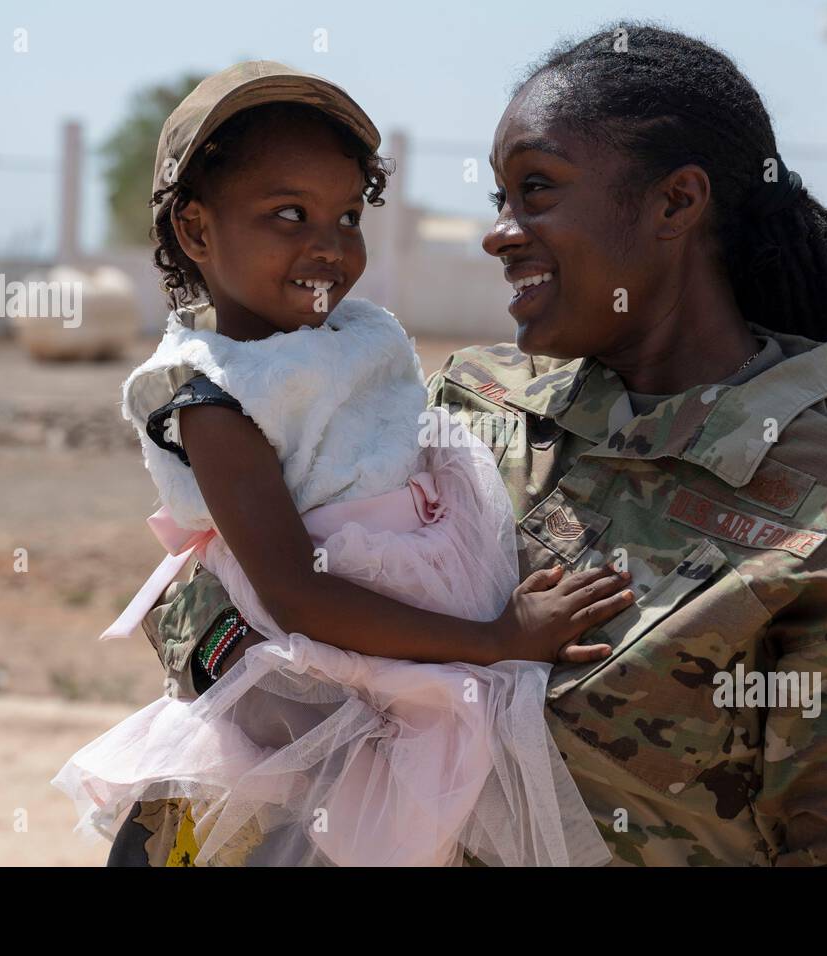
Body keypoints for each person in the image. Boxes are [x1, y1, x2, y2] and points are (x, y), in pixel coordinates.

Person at [116, 25, 827, 867]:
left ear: (675, 202)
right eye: (499, 196)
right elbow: (215, 606)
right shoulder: (468, 401)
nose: (498, 232)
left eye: (536, 189)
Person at [51, 61, 637, 867]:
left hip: (408, 631)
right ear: (195, 231)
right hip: (324, 669)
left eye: (348, 216)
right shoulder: (212, 395)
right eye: (288, 214)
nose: (327, 246)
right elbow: (294, 591)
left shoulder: (358, 334)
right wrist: (494, 637)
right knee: (311, 826)